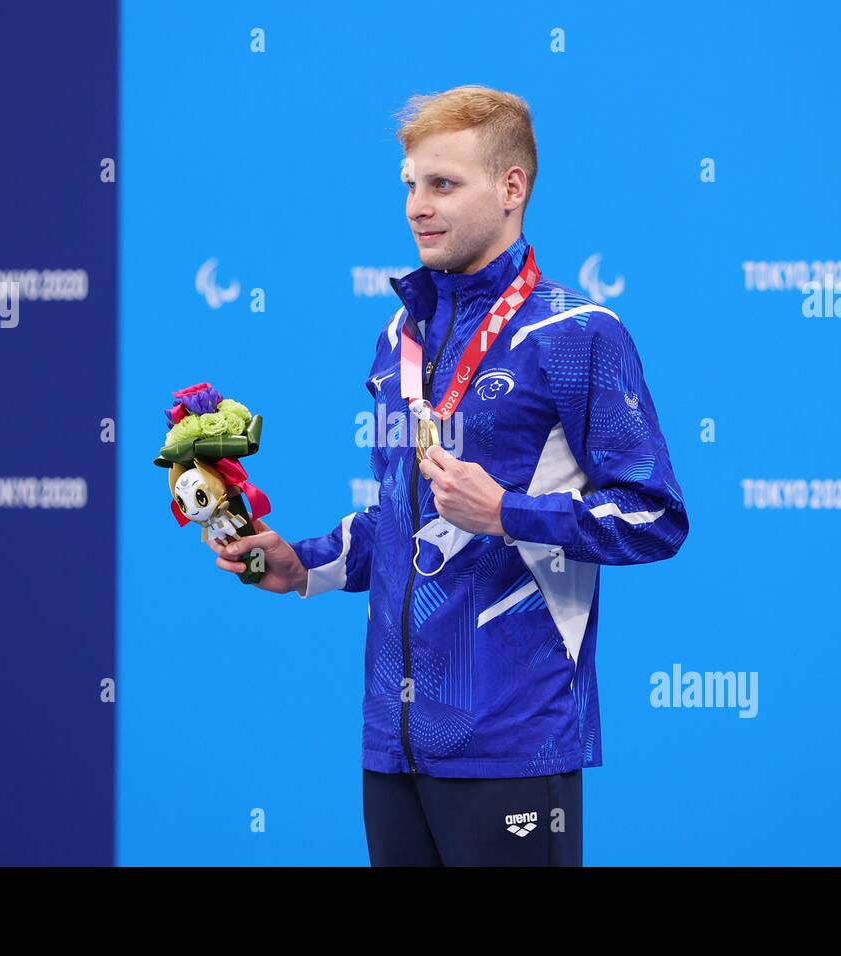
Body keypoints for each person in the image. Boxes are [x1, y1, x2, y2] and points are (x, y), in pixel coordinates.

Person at [206, 85, 689, 866]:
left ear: (511, 188)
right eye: (409, 184)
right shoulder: (403, 336)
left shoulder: (577, 334)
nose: (417, 207)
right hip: (393, 746)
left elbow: (655, 516)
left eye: (442, 184)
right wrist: (304, 565)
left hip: (513, 741)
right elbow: (403, 519)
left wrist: (507, 513)